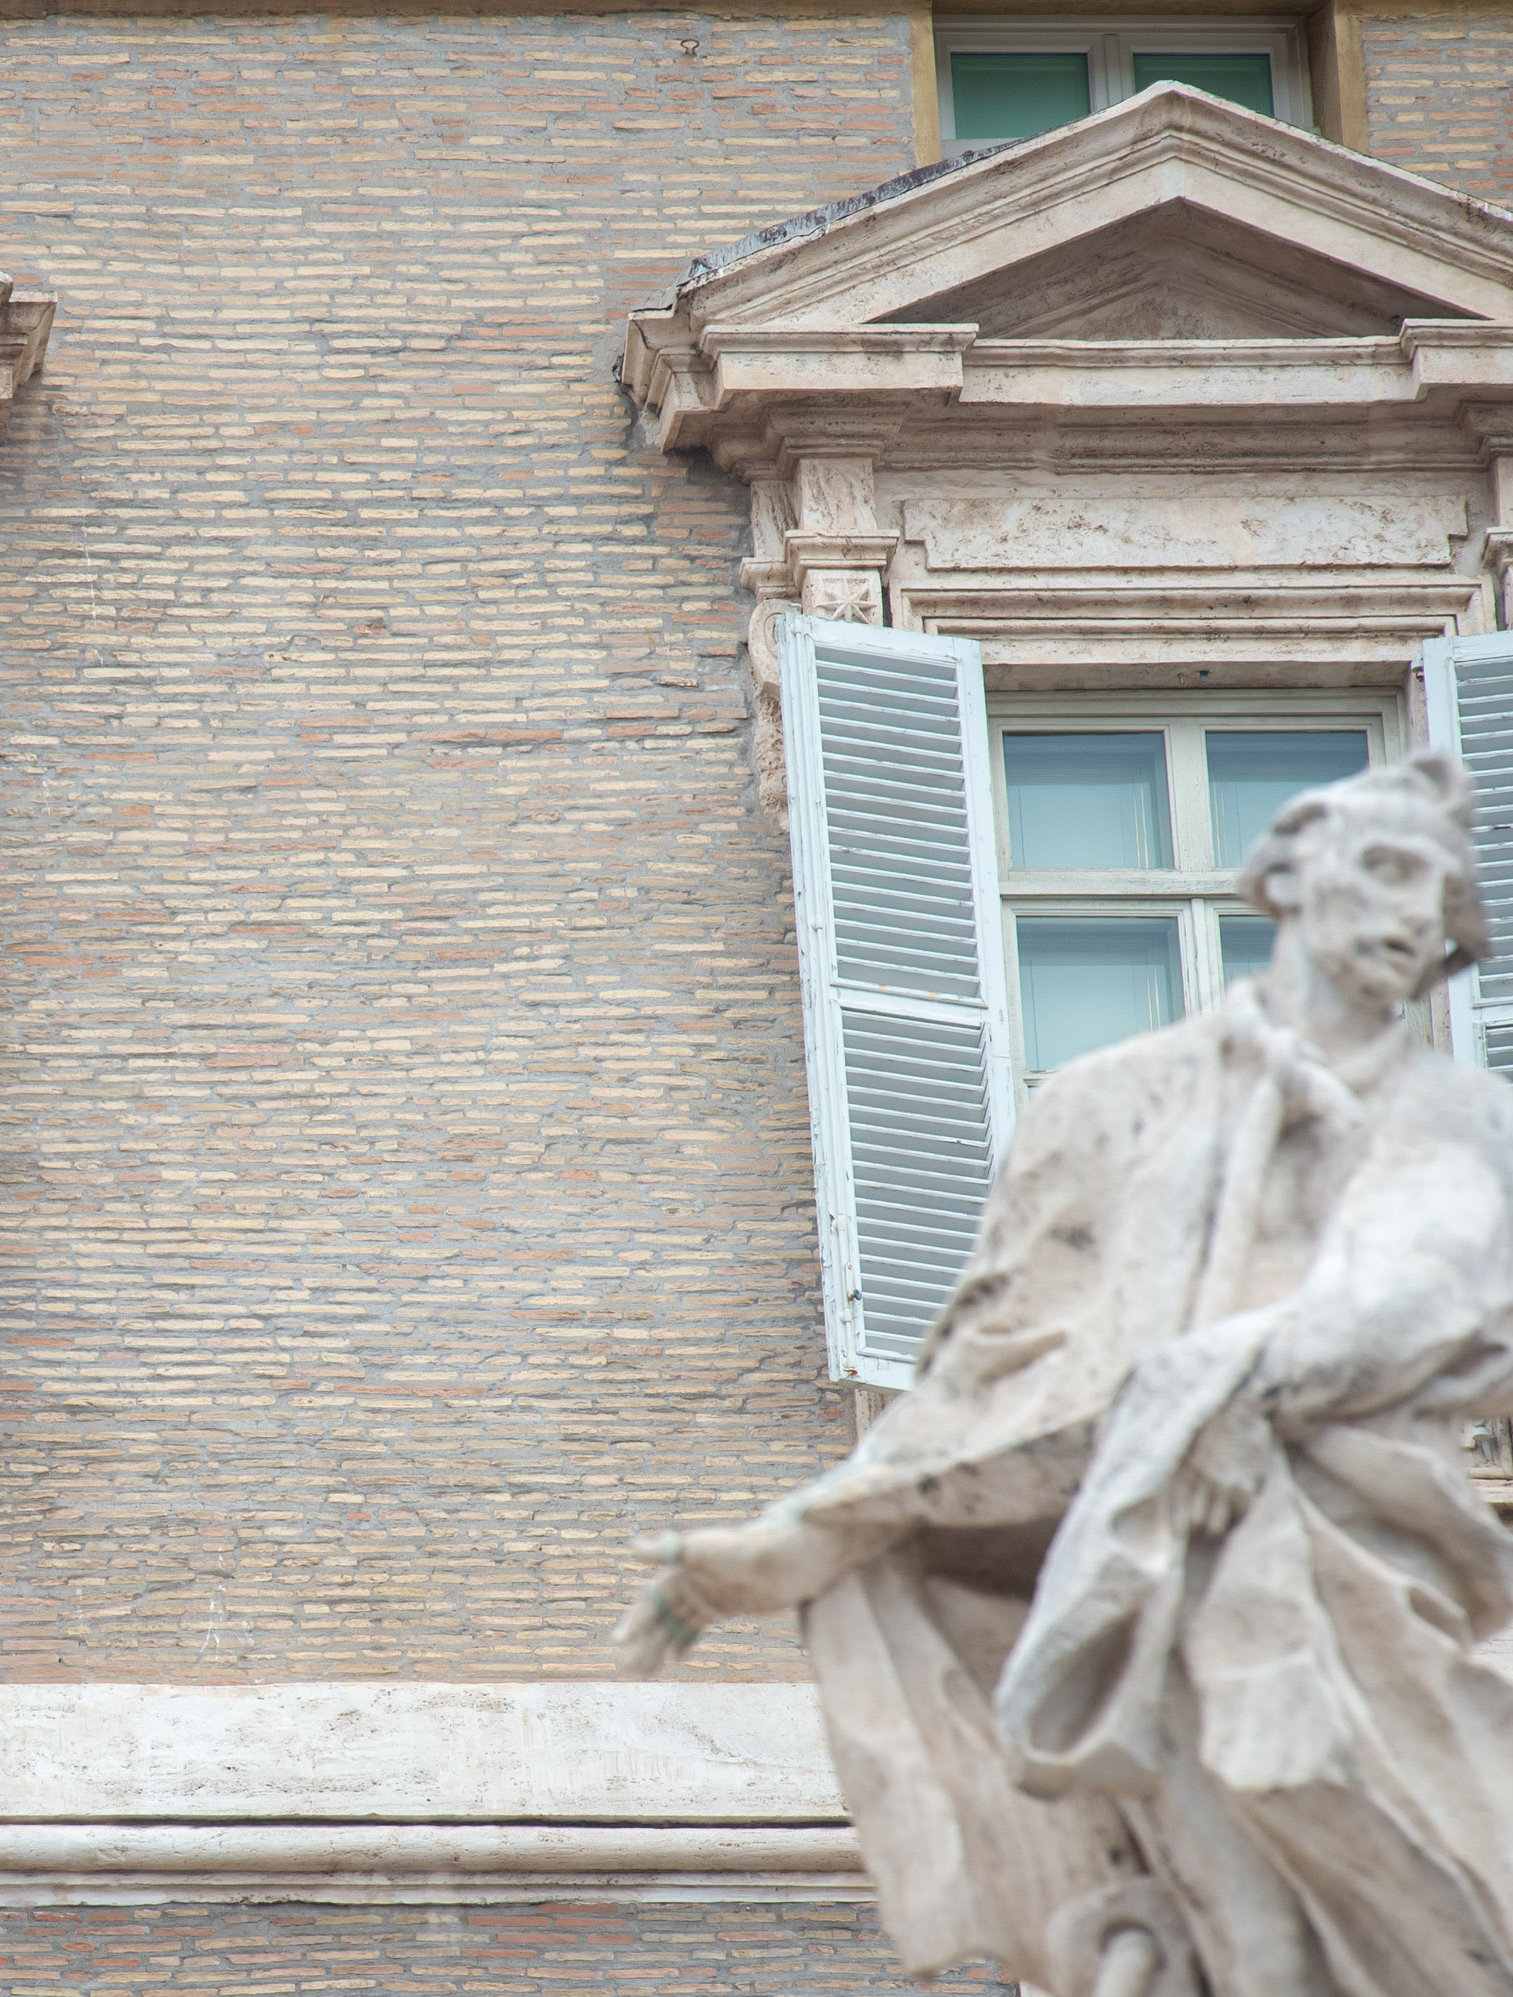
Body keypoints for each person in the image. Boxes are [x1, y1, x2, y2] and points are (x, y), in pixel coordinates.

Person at [616, 751, 1513, 1996]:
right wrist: (817, 1526)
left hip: (1384, 1567)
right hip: (1173, 1589)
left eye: (1441, 892)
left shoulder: (1459, 1116)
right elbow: (1004, 1363)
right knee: (1245, 1940)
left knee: (1452, 1899)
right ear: (1293, 873)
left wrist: (1206, 1384)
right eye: (1387, 868)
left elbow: (1418, 1297)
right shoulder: (1111, 1104)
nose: (1414, 913)